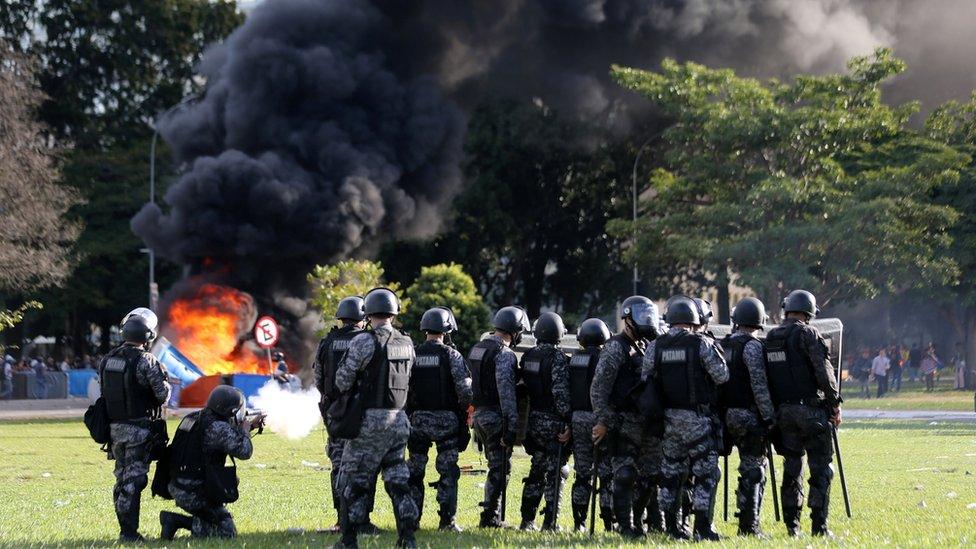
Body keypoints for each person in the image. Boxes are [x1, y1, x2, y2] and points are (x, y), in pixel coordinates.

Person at [333, 288, 418, 549]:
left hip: (369, 423)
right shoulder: (406, 343)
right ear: (393, 313)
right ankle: (407, 539)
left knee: (355, 482)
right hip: (399, 421)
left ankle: (348, 541)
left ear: (368, 314)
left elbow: (341, 380)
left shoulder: (363, 342)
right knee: (398, 482)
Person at [644, 297, 729, 541]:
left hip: (667, 419)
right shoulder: (701, 343)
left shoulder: (655, 346)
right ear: (694, 320)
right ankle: (702, 528)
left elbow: (646, 377)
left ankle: (672, 527)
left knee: (671, 472)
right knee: (706, 473)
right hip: (696, 419)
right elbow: (722, 375)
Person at [765, 290, 841, 537]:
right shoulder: (809, 333)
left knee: (792, 468)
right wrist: (834, 403)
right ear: (809, 312)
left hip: (784, 413)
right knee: (821, 469)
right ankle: (819, 527)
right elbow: (824, 372)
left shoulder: (771, 336)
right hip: (811, 412)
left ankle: (792, 527)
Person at [590, 295, 662, 539]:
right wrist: (603, 421)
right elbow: (598, 389)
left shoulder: (643, 347)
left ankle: (638, 522)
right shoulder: (615, 347)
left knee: (651, 475)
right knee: (625, 474)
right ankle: (626, 527)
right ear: (627, 319)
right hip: (622, 423)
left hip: (645, 424)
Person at [98, 307, 171, 542]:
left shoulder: (107, 360)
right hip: (139, 430)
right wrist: (167, 382)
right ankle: (128, 533)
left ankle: (125, 529)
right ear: (148, 336)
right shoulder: (146, 360)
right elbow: (162, 396)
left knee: (121, 478)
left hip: (115, 430)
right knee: (135, 479)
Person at [311, 296, 377, 533]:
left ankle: (342, 519)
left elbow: (318, 380)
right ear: (362, 316)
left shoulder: (327, 342)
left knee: (339, 466)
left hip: (335, 414)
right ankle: (363, 519)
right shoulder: (368, 340)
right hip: (361, 414)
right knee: (365, 466)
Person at [160, 385, 260, 539]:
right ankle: (174, 521)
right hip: (194, 492)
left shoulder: (193, 418)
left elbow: (219, 439)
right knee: (226, 532)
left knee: (208, 523)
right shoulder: (218, 427)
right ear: (231, 410)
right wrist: (245, 430)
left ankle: (173, 521)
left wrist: (250, 426)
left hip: (177, 485)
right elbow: (245, 451)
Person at [406, 307, 472, 532]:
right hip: (447, 422)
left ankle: (411, 521)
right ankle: (447, 522)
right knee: (448, 471)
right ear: (447, 330)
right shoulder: (452, 355)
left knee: (415, 472)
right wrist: (461, 413)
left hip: (418, 421)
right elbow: (465, 392)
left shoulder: (413, 353)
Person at [719, 297, 775, 536]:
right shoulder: (752, 347)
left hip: (724, 416)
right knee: (754, 469)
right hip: (748, 416)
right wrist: (769, 417)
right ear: (759, 321)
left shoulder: (724, 344)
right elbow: (759, 386)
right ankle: (749, 526)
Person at [470, 306, 529, 528]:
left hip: (479, 415)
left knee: (495, 464)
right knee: (501, 467)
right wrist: (511, 428)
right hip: (495, 416)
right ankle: (490, 518)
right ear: (514, 331)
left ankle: (490, 515)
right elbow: (506, 394)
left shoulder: (478, 348)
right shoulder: (504, 354)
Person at [518, 312, 571, 531]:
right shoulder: (558, 358)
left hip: (534, 420)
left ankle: (527, 520)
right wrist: (569, 421)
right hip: (553, 423)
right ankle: (550, 523)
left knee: (536, 471)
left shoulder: (528, 356)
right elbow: (560, 394)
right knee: (557, 473)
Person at [568, 318, 614, 533]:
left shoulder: (573, 359)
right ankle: (608, 522)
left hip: (577, 419)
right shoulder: (606, 358)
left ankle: (579, 523)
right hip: (599, 419)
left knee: (582, 472)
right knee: (606, 473)